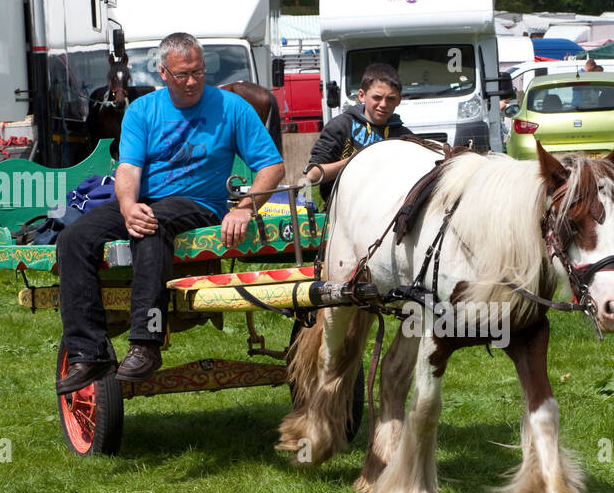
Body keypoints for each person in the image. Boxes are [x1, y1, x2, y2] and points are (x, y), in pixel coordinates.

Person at [56, 32, 285, 392]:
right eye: (182, 75)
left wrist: (244, 208)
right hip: (146, 200)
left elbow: (271, 166)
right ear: (163, 73)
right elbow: (128, 169)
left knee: (152, 225)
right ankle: (90, 353)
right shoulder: (143, 110)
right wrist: (129, 206)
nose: (192, 81)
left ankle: (146, 344)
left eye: (198, 72)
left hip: (199, 204)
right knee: (73, 237)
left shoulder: (232, 107)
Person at [304, 63, 410, 200]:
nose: (383, 104)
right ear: (362, 95)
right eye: (377, 97)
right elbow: (312, 175)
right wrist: (357, 160)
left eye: (391, 99)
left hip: (390, 212)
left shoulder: (404, 137)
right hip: (343, 213)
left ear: (399, 101)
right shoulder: (341, 126)